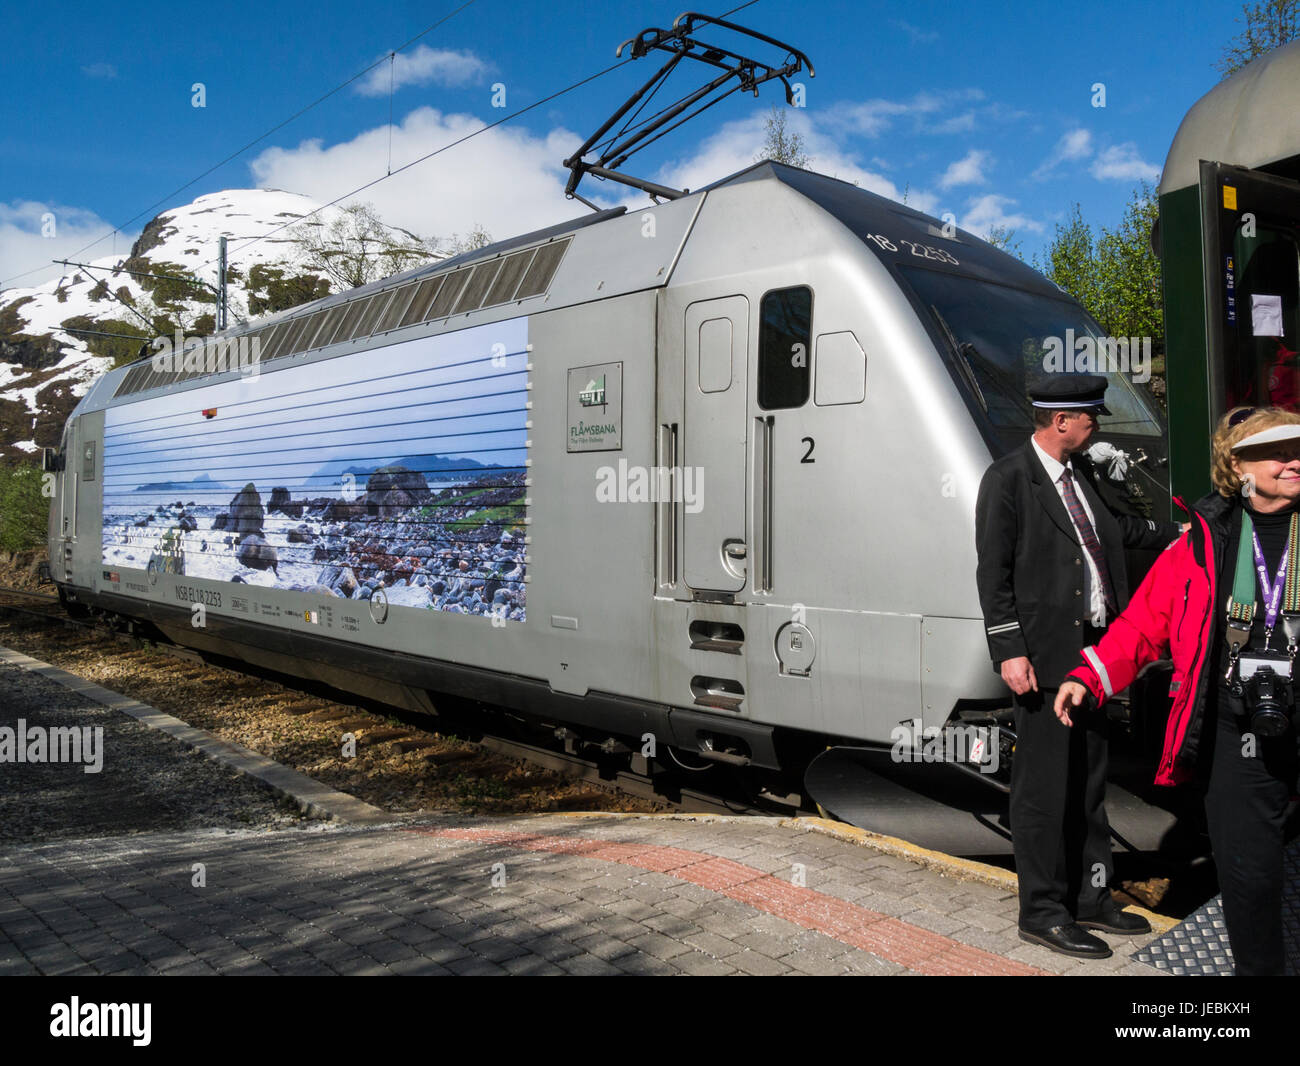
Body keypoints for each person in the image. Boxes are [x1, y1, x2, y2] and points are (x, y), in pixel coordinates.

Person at [1056, 406, 1300, 975]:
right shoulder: (1200, 544)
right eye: (1277, 451)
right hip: (1237, 726)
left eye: (1299, 448)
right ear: (1236, 463)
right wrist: (1090, 674)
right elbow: (1143, 626)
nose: (1293, 460)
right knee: (1252, 872)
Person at [975, 374, 1182, 959]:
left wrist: (1183, 536)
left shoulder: (1081, 475)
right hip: (1042, 658)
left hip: (1093, 653)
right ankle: (1042, 911)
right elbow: (992, 574)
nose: (1098, 424)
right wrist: (1008, 649)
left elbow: (1117, 534)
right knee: (1043, 789)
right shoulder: (1009, 479)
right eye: (1091, 415)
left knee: (1089, 782)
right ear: (1060, 420)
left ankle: (1091, 897)